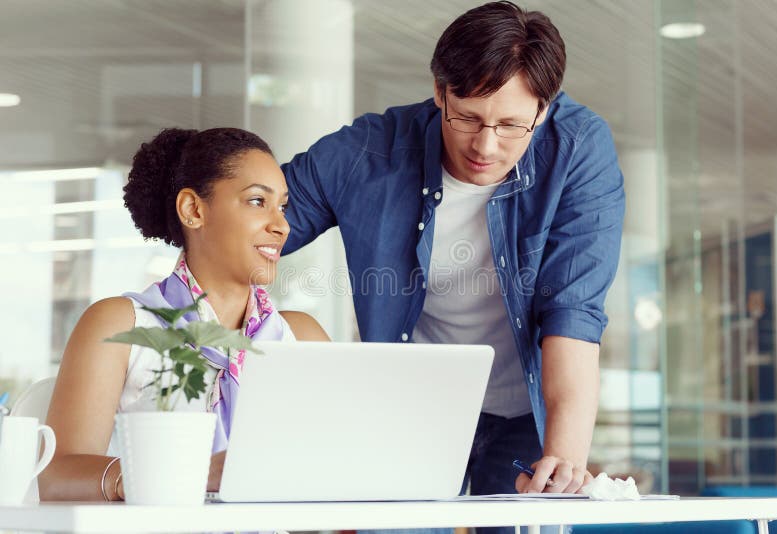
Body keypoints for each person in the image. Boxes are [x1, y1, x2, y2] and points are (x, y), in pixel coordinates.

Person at [280, 0, 624, 521]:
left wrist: (565, 459)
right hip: (410, 408)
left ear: (545, 107)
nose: (486, 145)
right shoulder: (368, 152)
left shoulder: (577, 149)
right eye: (467, 117)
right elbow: (254, 229)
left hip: (524, 415)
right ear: (440, 91)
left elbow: (572, 310)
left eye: (512, 125)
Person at [39, 127, 328, 501]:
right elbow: (56, 477)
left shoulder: (301, 339)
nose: (281, 225)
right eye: (258, 201)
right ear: (193, 209)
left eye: (282, 206)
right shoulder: (121, 325)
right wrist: (191, 472)